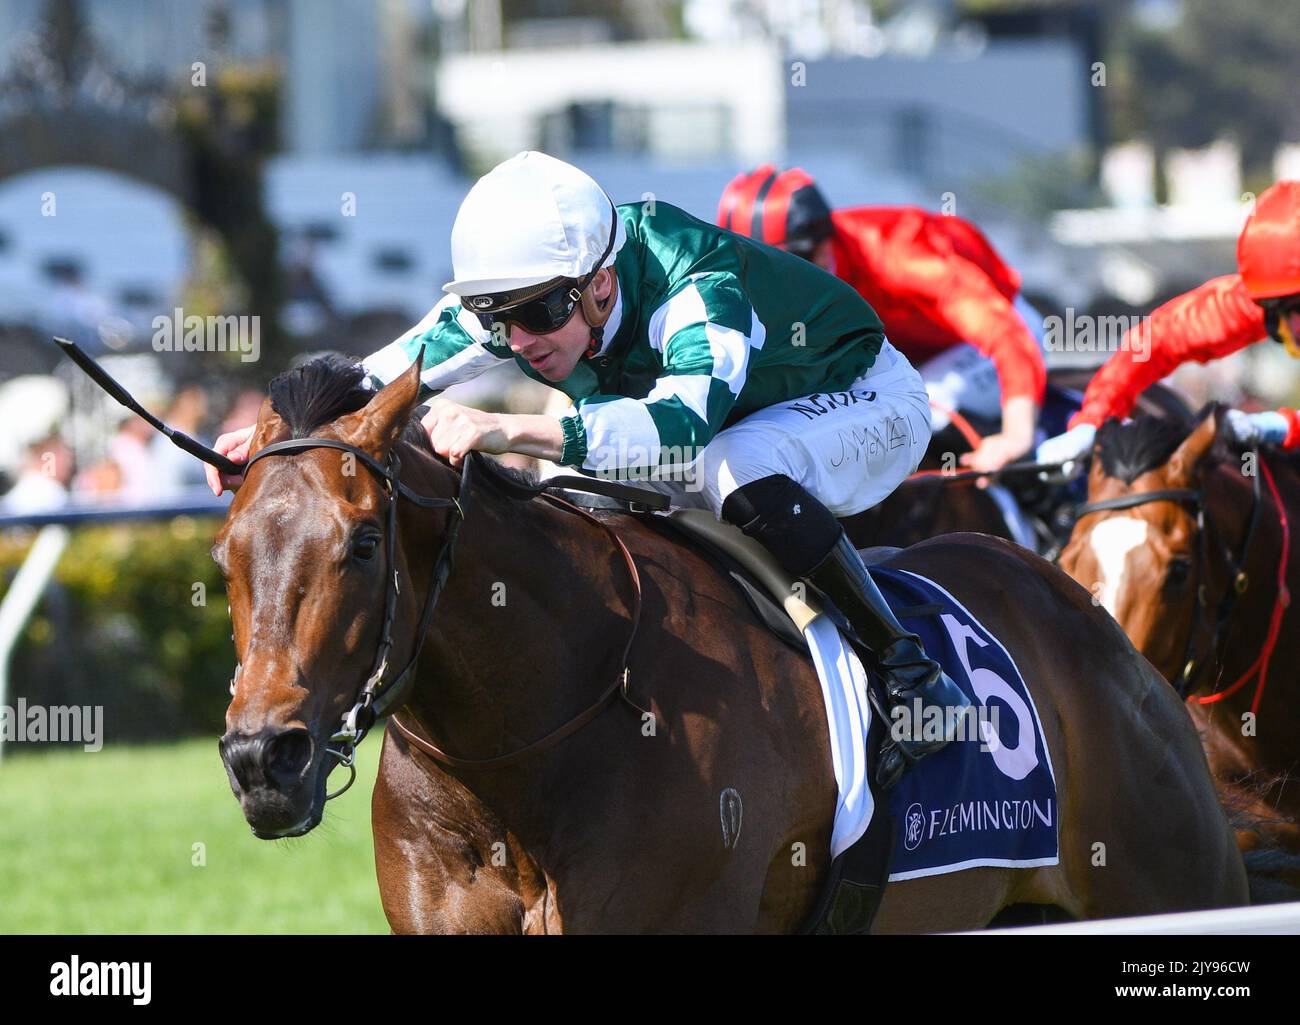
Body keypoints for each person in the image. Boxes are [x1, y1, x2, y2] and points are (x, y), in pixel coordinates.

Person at [208, 151, 970, 784]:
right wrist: (274, 436)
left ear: (601, 284)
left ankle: (908, 671)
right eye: (497, 320)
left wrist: (514, 426)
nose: (520, 339)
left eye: (537, 315)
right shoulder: (523, 305)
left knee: (734, 462)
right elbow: (373, 378)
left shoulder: (698, 282)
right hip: (742, 421)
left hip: (868, 400)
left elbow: (679, 431)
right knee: (565, 495)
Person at [717, 165, 1047, 473]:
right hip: (908, 355)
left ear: (821, 247)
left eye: (782, 268)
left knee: (916, 403)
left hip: (1000, 335)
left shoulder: (899, 253)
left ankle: (1030, 472)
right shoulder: (798, 266)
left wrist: (1017, 435)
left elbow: (1004, 332)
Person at [1039, 180, 1300, 464]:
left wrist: (1286, 426)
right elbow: (1154, 341)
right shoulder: (1260, 297)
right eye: (1282, 308)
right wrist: (1092, 420)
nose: (1295, 326)